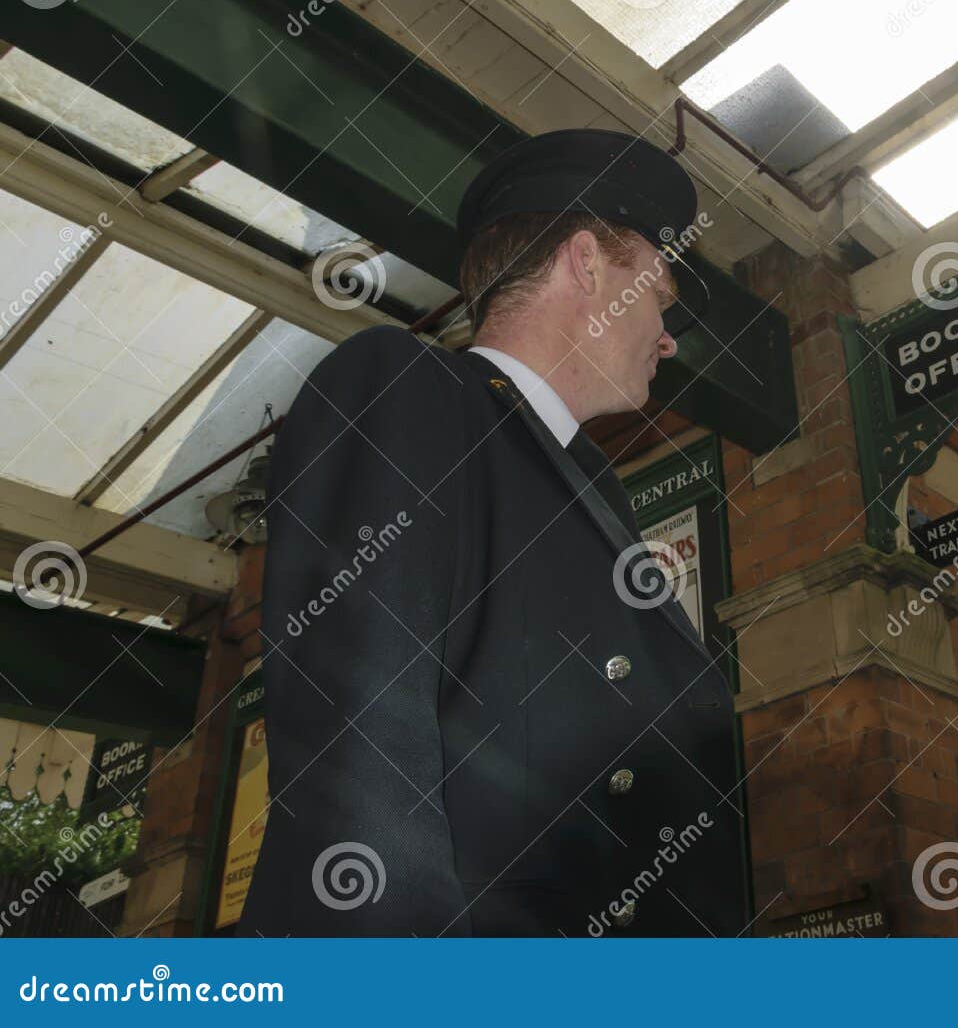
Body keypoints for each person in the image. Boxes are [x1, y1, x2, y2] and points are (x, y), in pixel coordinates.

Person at [239, 129, 746, 936]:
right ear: (587, 263)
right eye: (659, 293)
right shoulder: (408, 395)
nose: (667, 335)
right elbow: (359, 765)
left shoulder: (589, 488)